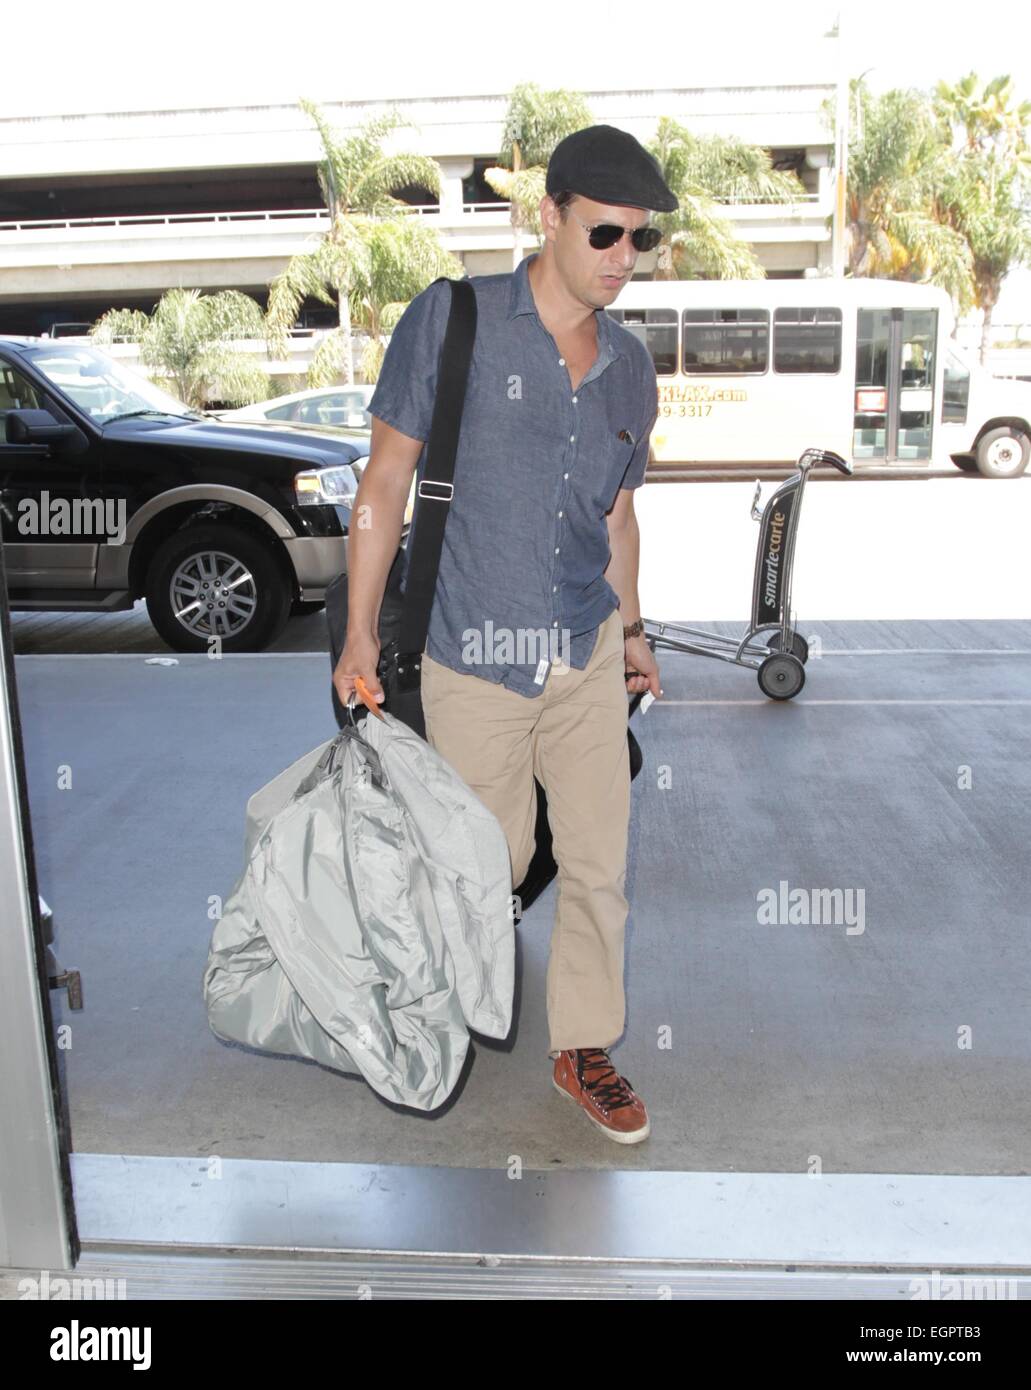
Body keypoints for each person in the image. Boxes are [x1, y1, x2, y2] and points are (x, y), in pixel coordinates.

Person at [332, 124, 677, 1143]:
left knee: (598, 865)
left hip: (581, 650)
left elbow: (616, 515)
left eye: (640, 243)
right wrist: (356, 633)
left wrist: (633, 634)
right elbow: (383, 482)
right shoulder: (454, 321)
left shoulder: (626, 369)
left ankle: (581, 1046)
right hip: (470, 660)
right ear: (552, 216)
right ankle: (428, 1002)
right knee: (488, 865)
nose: (622, 258)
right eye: (605, 233)